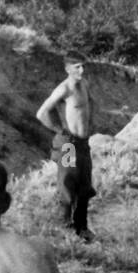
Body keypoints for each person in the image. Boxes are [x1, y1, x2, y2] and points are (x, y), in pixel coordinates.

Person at [36, 53, 96, 238]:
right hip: (68, 144)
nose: (82, 70)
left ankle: (82, 227)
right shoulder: (64, 89)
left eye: (83, 66)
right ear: (67, 69)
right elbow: (42, 113)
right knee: (68, 185)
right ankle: (65, 230)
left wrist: (91, 122)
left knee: (85, 186)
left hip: (83, 143)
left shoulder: (84, 84)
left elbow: (90, 103)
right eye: (77, 66)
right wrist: (59, 129)